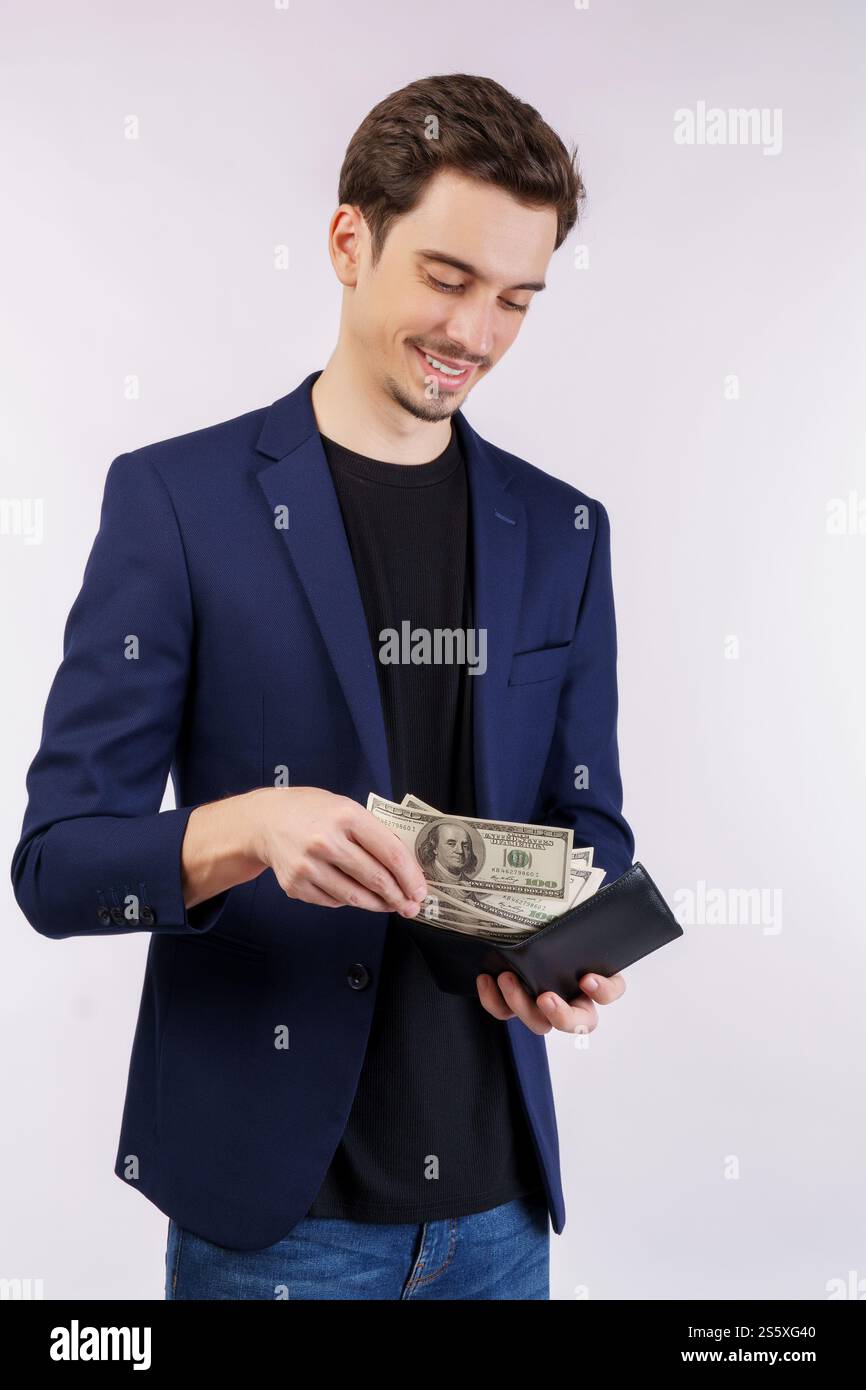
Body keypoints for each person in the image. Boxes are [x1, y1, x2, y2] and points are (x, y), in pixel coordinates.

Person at [11, 72, 635, 1301]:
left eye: (515, 299)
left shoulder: (564, 530)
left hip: (500, 1215)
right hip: (273, 1224)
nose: (475, 334)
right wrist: (247, 827)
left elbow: (590, 825)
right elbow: (57, 866)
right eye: (447, 279)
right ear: (350, 239)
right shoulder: (176, 503)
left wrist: (565, 943)